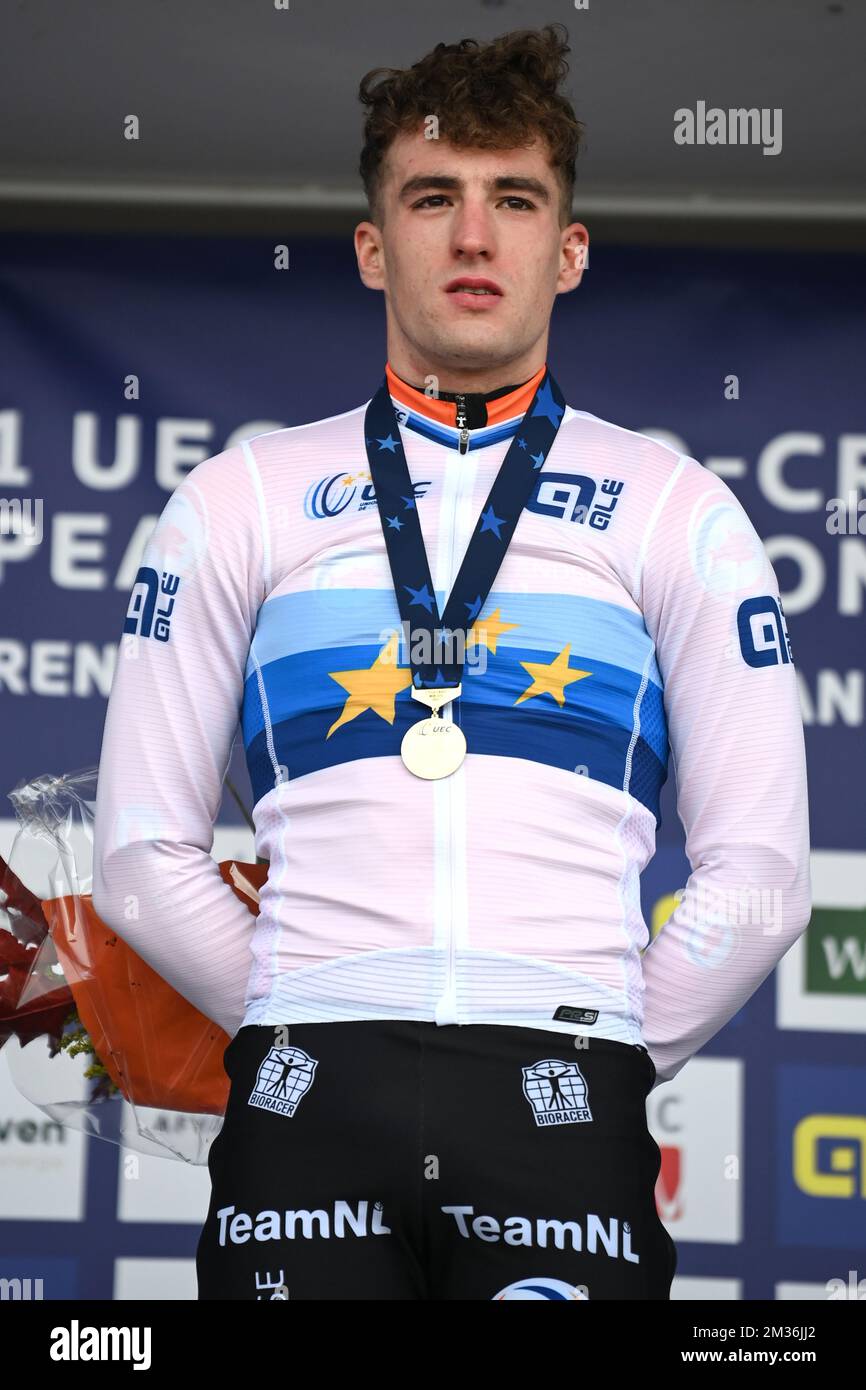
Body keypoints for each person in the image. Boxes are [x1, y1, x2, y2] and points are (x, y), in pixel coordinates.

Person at [92, 24, 811, 1301]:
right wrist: (290, 1002)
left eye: (512, 200)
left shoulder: (672, 508)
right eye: (434, 199)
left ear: (566, 249)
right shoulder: (240, 496)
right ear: (374, 246)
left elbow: (758, 868)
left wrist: (605, 1037)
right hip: (309, 1085)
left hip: (562, 1083)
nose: (473, 238)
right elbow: (142, 851)